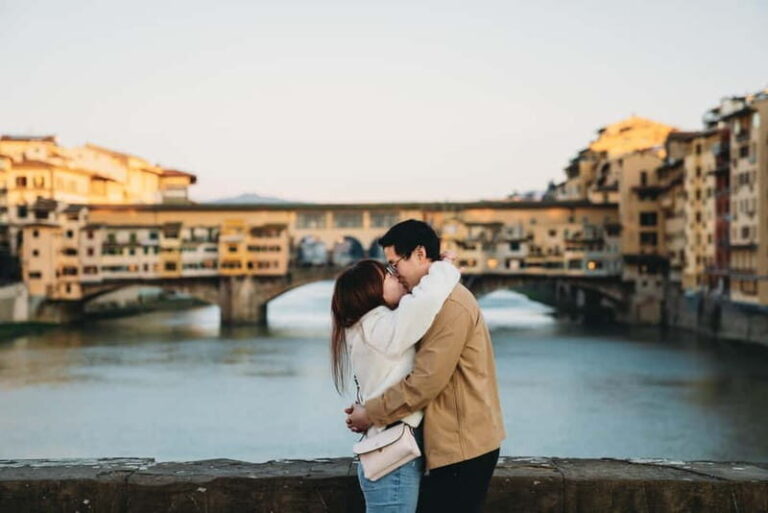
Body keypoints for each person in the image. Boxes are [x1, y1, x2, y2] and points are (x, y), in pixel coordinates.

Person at [345, 219, 505, 513]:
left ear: (420, 254)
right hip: (453, 442)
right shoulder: (432, 300)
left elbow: (425, 381)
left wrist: (372, 413)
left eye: (395, 264)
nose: (393, 273)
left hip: (462, 447)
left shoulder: (449, 306)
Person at [331, 256, 461, 513]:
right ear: (370, 291)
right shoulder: (379, 326)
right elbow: (425, 302)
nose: (396, 276)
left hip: (387, 452)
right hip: (394, 458)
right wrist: (443, 268)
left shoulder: (364, 328)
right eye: (387, 276)